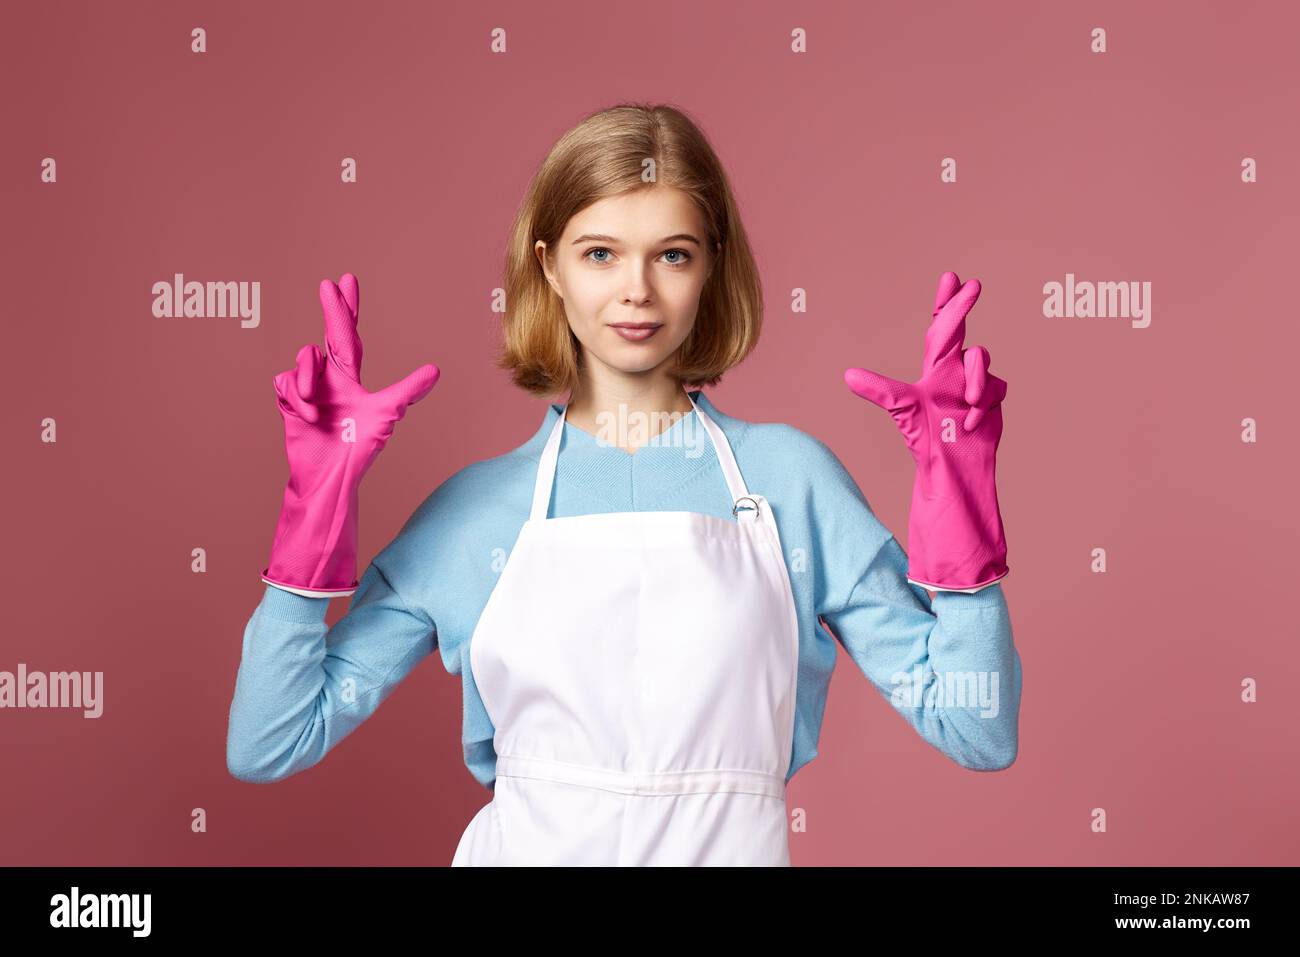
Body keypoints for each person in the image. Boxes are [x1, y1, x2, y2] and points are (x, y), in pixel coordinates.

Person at [226, 103, 1022, 867]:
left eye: (672, 253)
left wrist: (962, 516)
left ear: (712, 265)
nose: (636, 288)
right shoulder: (473, 515)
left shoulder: (791, 482)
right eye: (599, 252)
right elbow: (270, 742)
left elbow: (976, 731)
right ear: (550, 268)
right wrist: (310, 517)